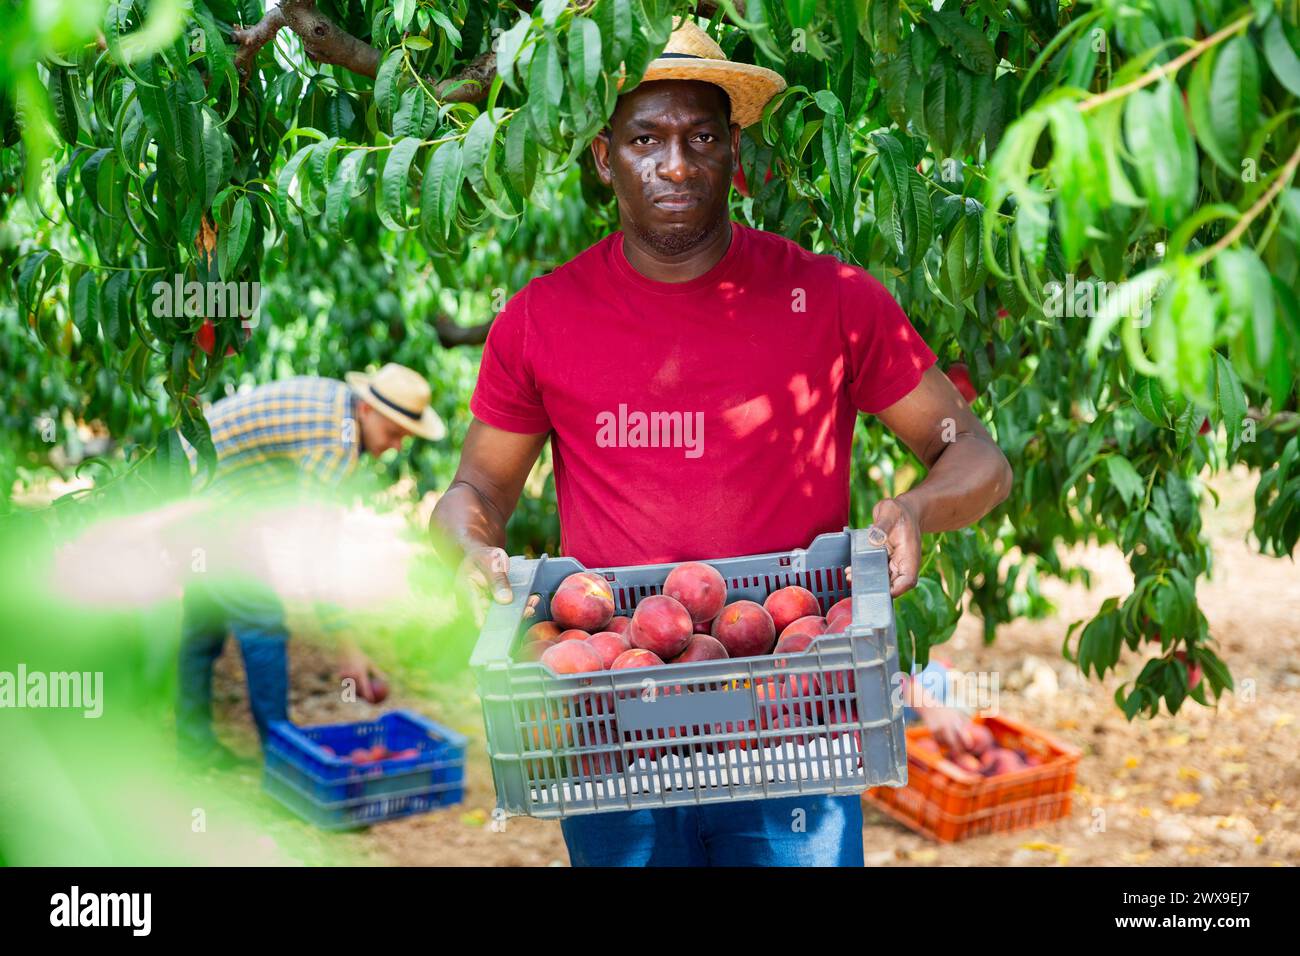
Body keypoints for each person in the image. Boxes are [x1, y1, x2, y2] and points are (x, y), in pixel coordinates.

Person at [432, 17, 1011, 866]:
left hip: (793, 739)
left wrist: (916, 509)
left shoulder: (834, 300)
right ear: (604, 157)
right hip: (615, 736)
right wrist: (463, 546)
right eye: (646, 138)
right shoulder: (541, 320)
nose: (676, 163)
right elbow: (476, 492)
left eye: (703, 135)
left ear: (734, 152)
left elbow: (978, 458)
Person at [177, 364, 445, 768]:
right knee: (262, 620)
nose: (393, 447)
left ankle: (193, 744)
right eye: (392, 434)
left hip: (186, 483)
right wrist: (347, 648)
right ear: (369, 411)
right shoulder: (336, 440)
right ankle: (284, 763)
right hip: (209, 503)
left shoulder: (336, 407)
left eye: (402, 438)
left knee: (205, 624)